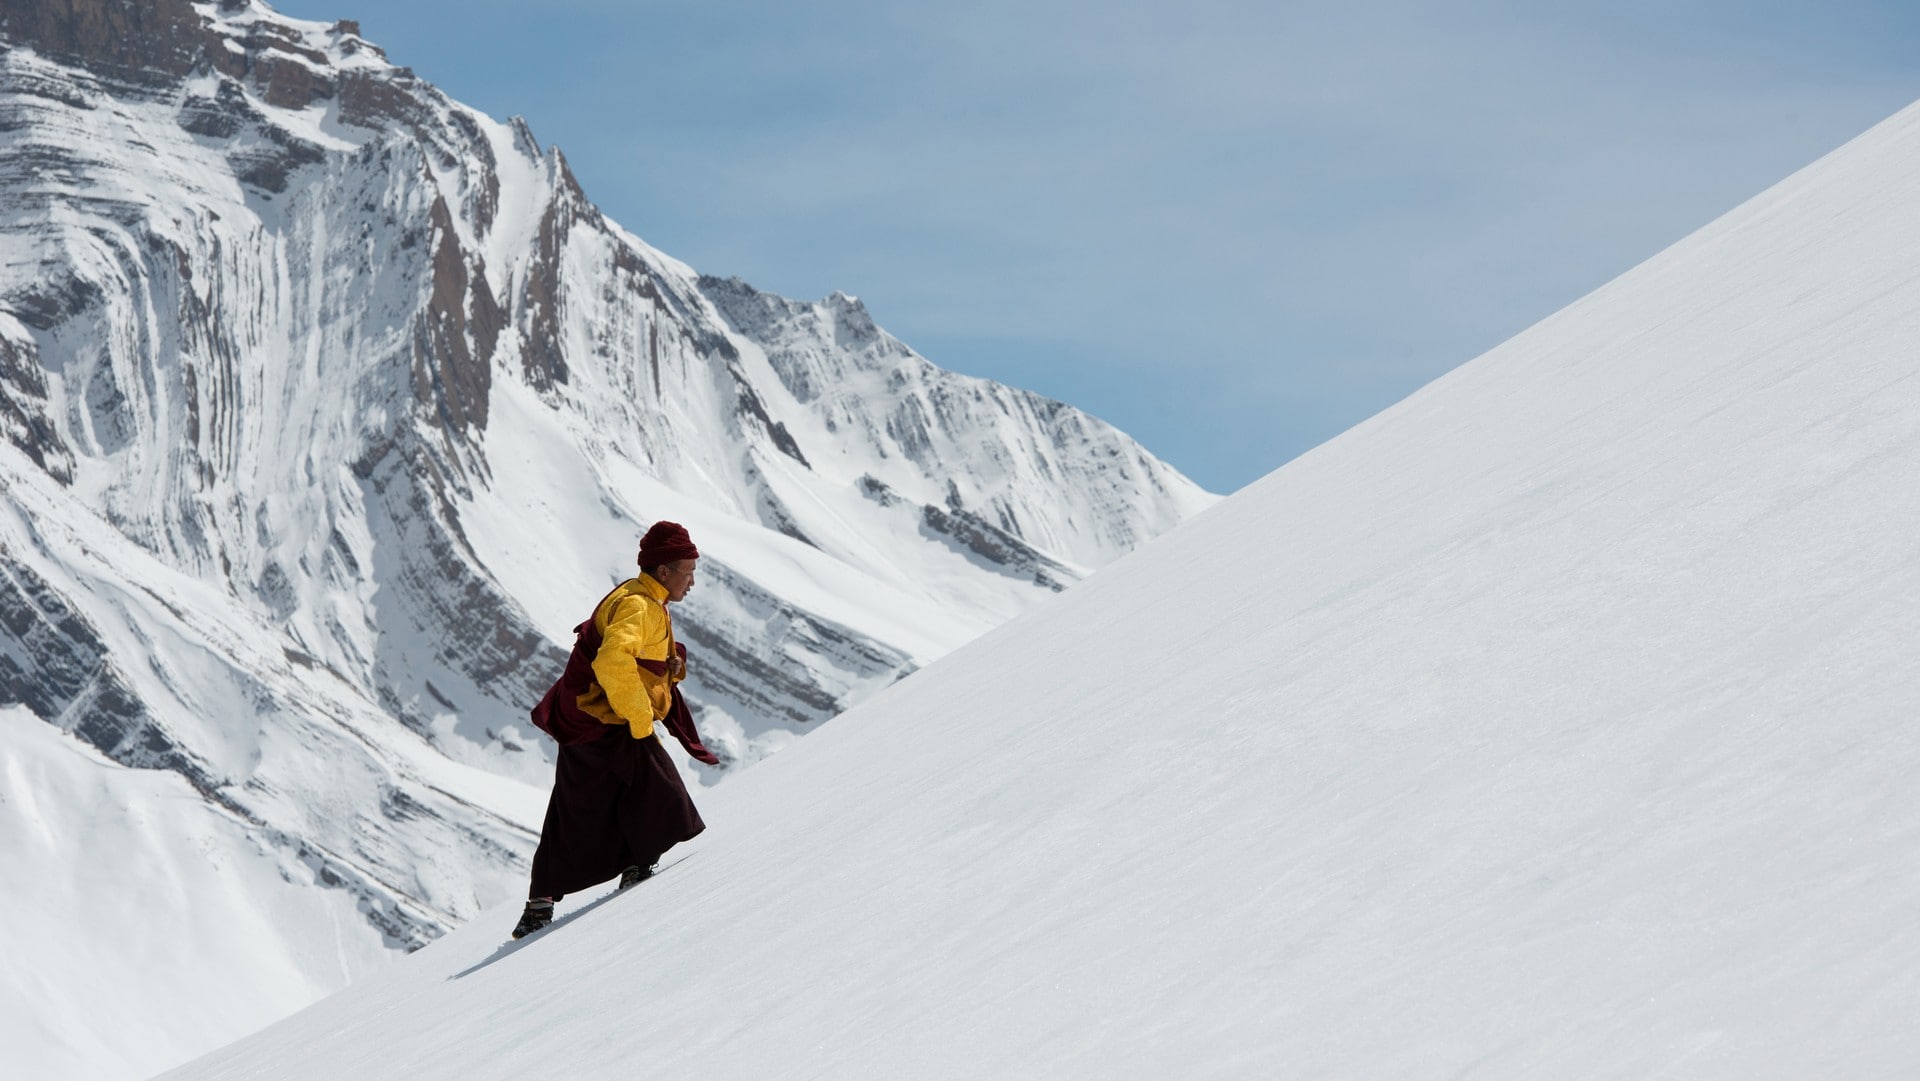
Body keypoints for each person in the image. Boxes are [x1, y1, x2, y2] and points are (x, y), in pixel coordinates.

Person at [513, 521, 720, 939]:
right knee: (661, 793)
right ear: (664, 571)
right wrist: (641, 721)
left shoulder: (644, 597)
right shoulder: (639, 606)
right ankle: (636, 867)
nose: (693, 581)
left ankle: (541, 905)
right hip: (606, 719)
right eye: (688, 570)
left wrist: (671, 669)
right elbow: (612, 662)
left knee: (581, 805)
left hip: (588, 717)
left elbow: (640, 657)